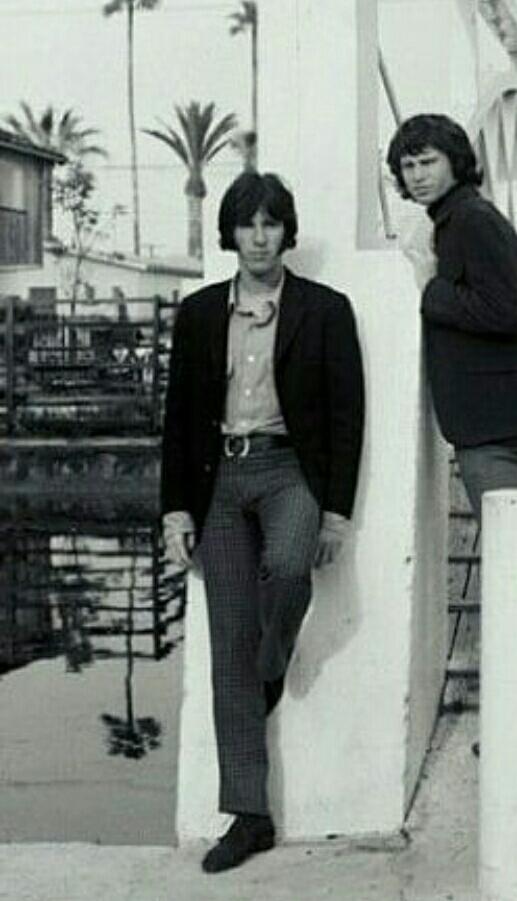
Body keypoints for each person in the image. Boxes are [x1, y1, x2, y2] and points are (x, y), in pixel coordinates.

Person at [160, 172, 364, 874]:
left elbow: (346, 419)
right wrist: (175, 509)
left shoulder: (326, 311)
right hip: (218, 479)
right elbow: (178, 421)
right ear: (231, 233)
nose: (258, 236)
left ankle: (272, 656)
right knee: (225, 648)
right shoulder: (196, 315)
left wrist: (335, 510)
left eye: (271, 224)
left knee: (288, 563)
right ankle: (249, 815)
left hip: (288, 473)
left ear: (286, 232)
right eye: (247, 224)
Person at [388, 113, 517, 759]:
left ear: (455, 160)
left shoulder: (467, 223)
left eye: (428, 161)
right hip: (499, 411)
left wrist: (428, 289)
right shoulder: (469, 217)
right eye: (408, 165)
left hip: (483, 420)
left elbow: (498, 308)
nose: (417, 174)